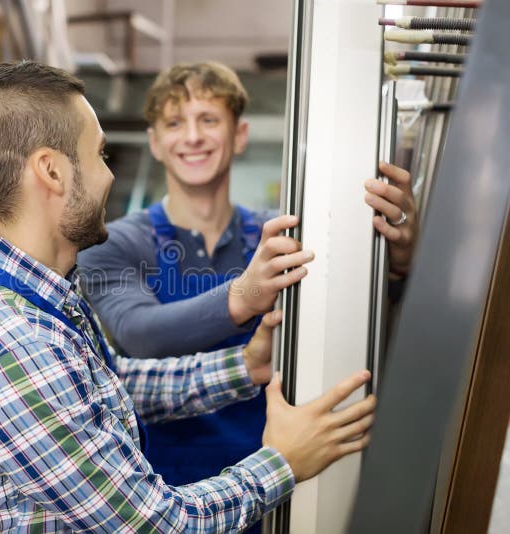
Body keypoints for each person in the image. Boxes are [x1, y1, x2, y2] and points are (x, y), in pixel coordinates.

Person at [0, 60, 376, 533]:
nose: (109, 177)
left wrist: (242, 368)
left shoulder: (30, 291)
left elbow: (101, 391)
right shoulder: (12, 339)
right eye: (101, 155)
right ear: (52, 172)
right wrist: (283, 462)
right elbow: (156, 525)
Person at [77, 61, 417, 510]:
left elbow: (357, 318)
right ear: (156, 143)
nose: (193, 136)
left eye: (209, 120)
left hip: (280, 488)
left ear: (239, 134)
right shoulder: (112, 243)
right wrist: (244, 294)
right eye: (175, 123)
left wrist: (397, 263)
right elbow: (137, 333)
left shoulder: (283, 234)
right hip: (167, 496)